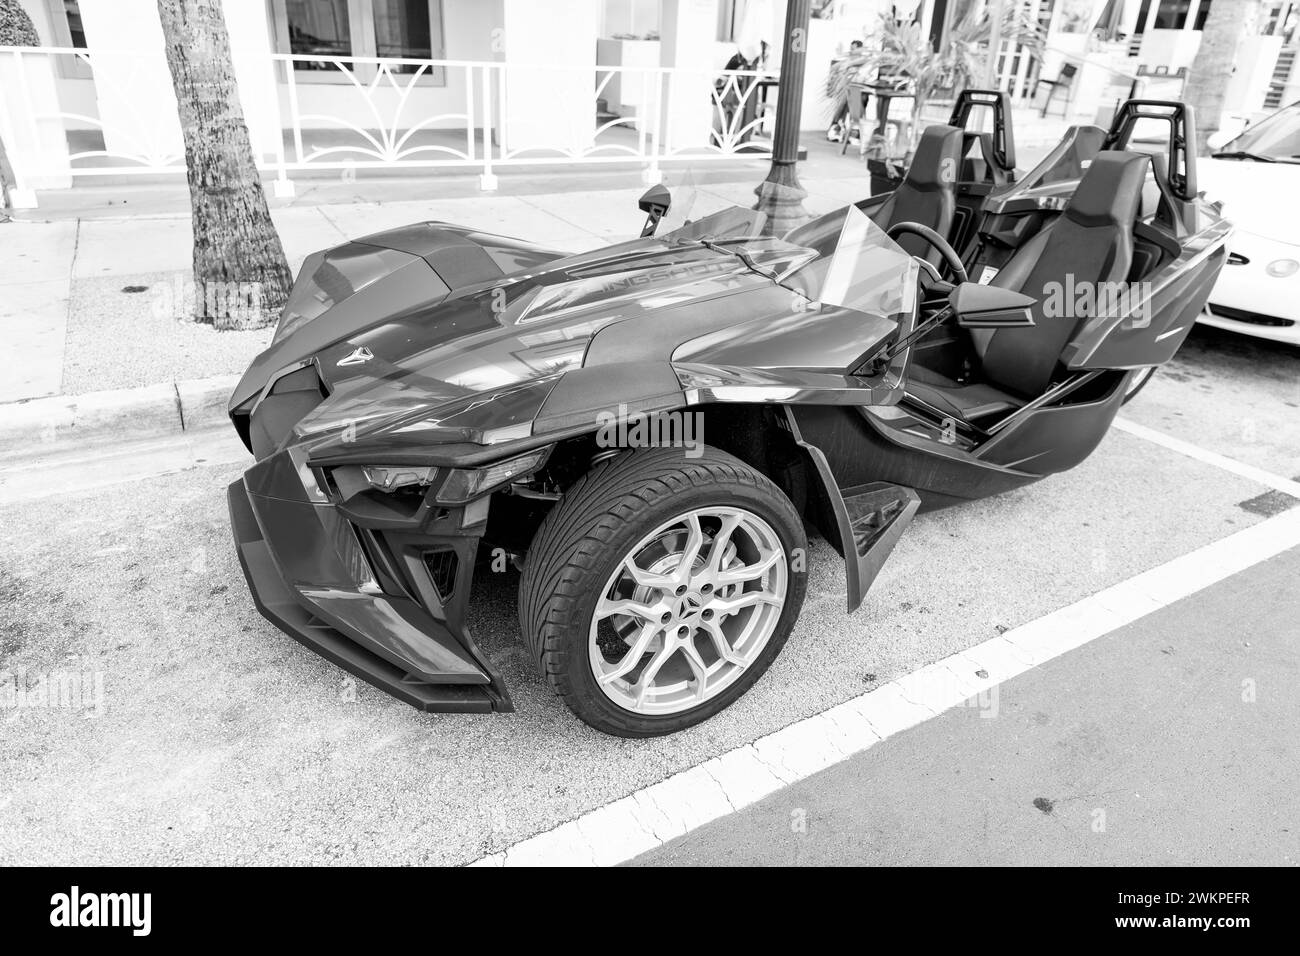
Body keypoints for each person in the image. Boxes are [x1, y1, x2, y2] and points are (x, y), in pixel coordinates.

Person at [826, 40, 868, 144]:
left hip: (860, 92)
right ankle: (839, 127)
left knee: (849, 98)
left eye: (853, 49)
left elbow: (861, 68)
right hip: (848, 90)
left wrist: (849, 64)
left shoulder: (864, 60)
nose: (851, 51)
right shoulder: (848, 60)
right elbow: (840, 73)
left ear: (860, 49)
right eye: (851, 49)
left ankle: (837, 127)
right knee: (844, 98)